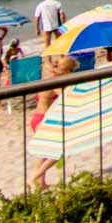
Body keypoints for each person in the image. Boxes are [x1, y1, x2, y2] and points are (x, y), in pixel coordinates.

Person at [28, 55, 80, 190]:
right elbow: (66, 97)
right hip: (44, 119)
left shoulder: (50, 77)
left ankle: (41, 182)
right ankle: (33, 178)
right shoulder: (55, 81)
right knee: (58, 151)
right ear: (67, 71)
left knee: (44, 153)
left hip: (37, 117)